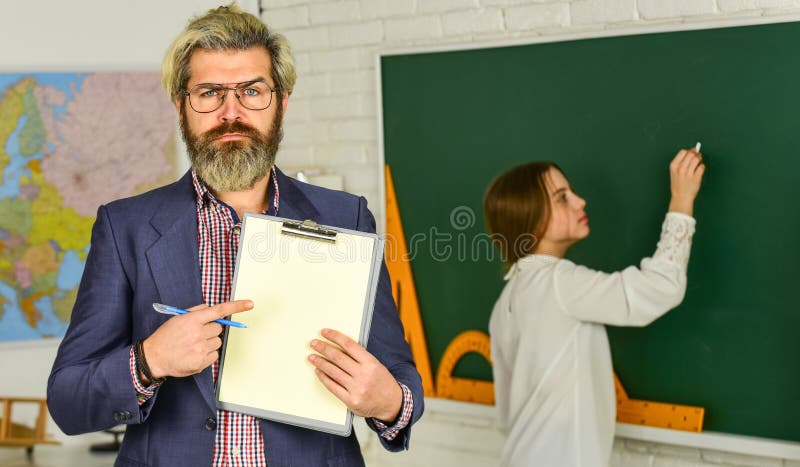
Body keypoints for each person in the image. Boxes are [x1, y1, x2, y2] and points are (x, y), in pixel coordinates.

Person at [47, 5, 423, 467]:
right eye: (209, 93)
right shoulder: (125, 227)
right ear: (181, 105)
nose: (232, 112)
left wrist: (388, 402)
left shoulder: (346, 217)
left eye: (251, 91)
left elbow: (400, 377)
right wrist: (149, 360)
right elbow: (67, 400)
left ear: (282, 102)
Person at [483, 148, 705, 467]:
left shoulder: (505, 302)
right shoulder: (557, 281)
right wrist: (681, 199)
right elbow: (659, 288)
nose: (580, 201)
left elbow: (505, 418)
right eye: (562, 198)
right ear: (530, 217)